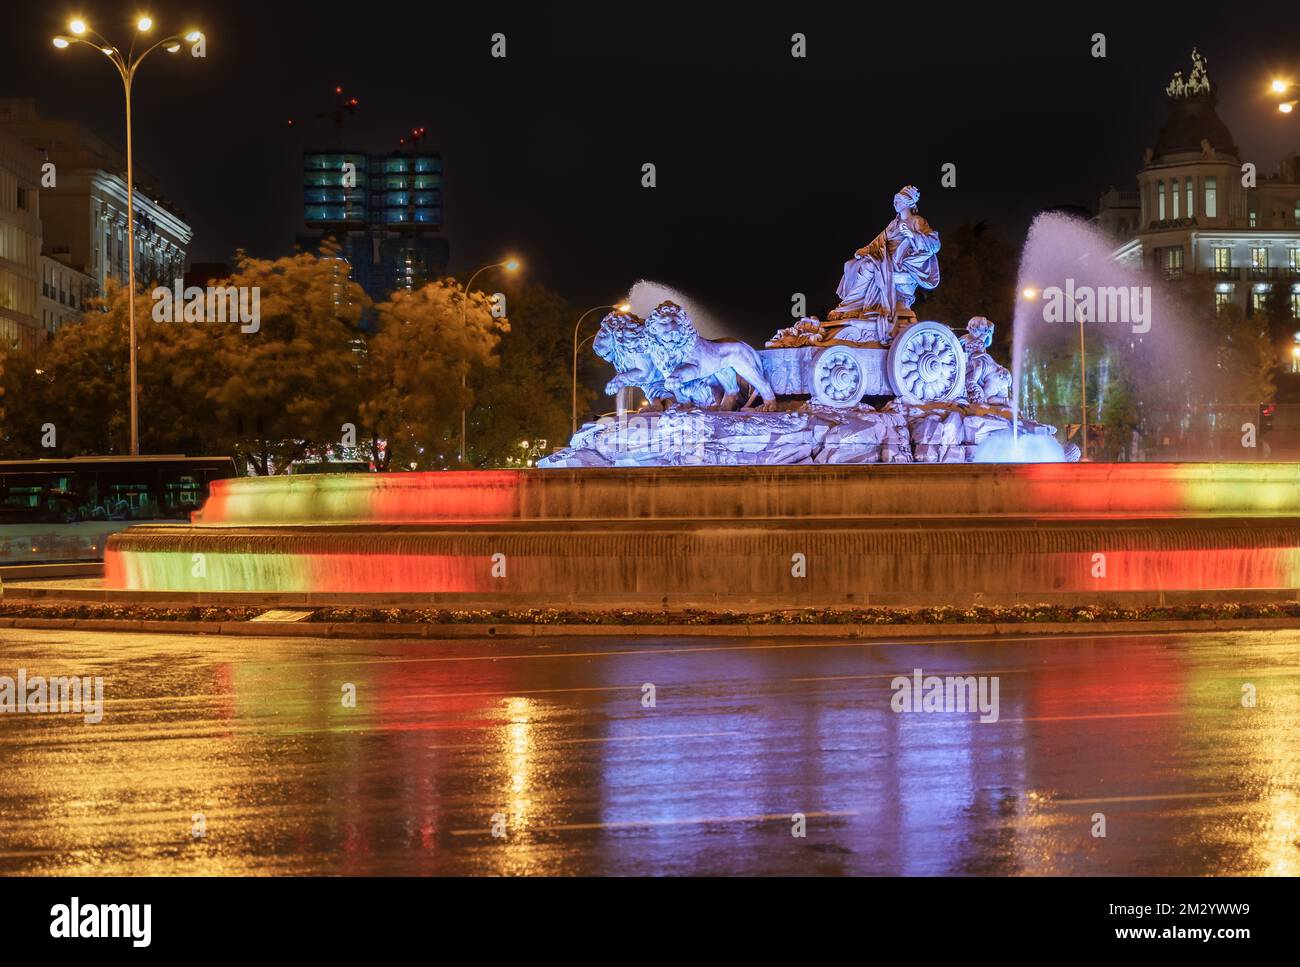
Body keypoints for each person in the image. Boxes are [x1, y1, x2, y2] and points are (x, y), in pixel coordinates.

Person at [830, 185, 941, 323]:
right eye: (895, 200)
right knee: (851, 264)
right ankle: (854, 305)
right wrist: (866, 249)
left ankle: (850, 306)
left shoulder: (917, 221)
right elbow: (879, 241)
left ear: (908, 202)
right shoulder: (893, 223)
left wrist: (912, 235)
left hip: (898, 260)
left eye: (898, 200)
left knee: (868, 267)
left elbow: (934, 244)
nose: (894, 203)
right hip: (885, 257)